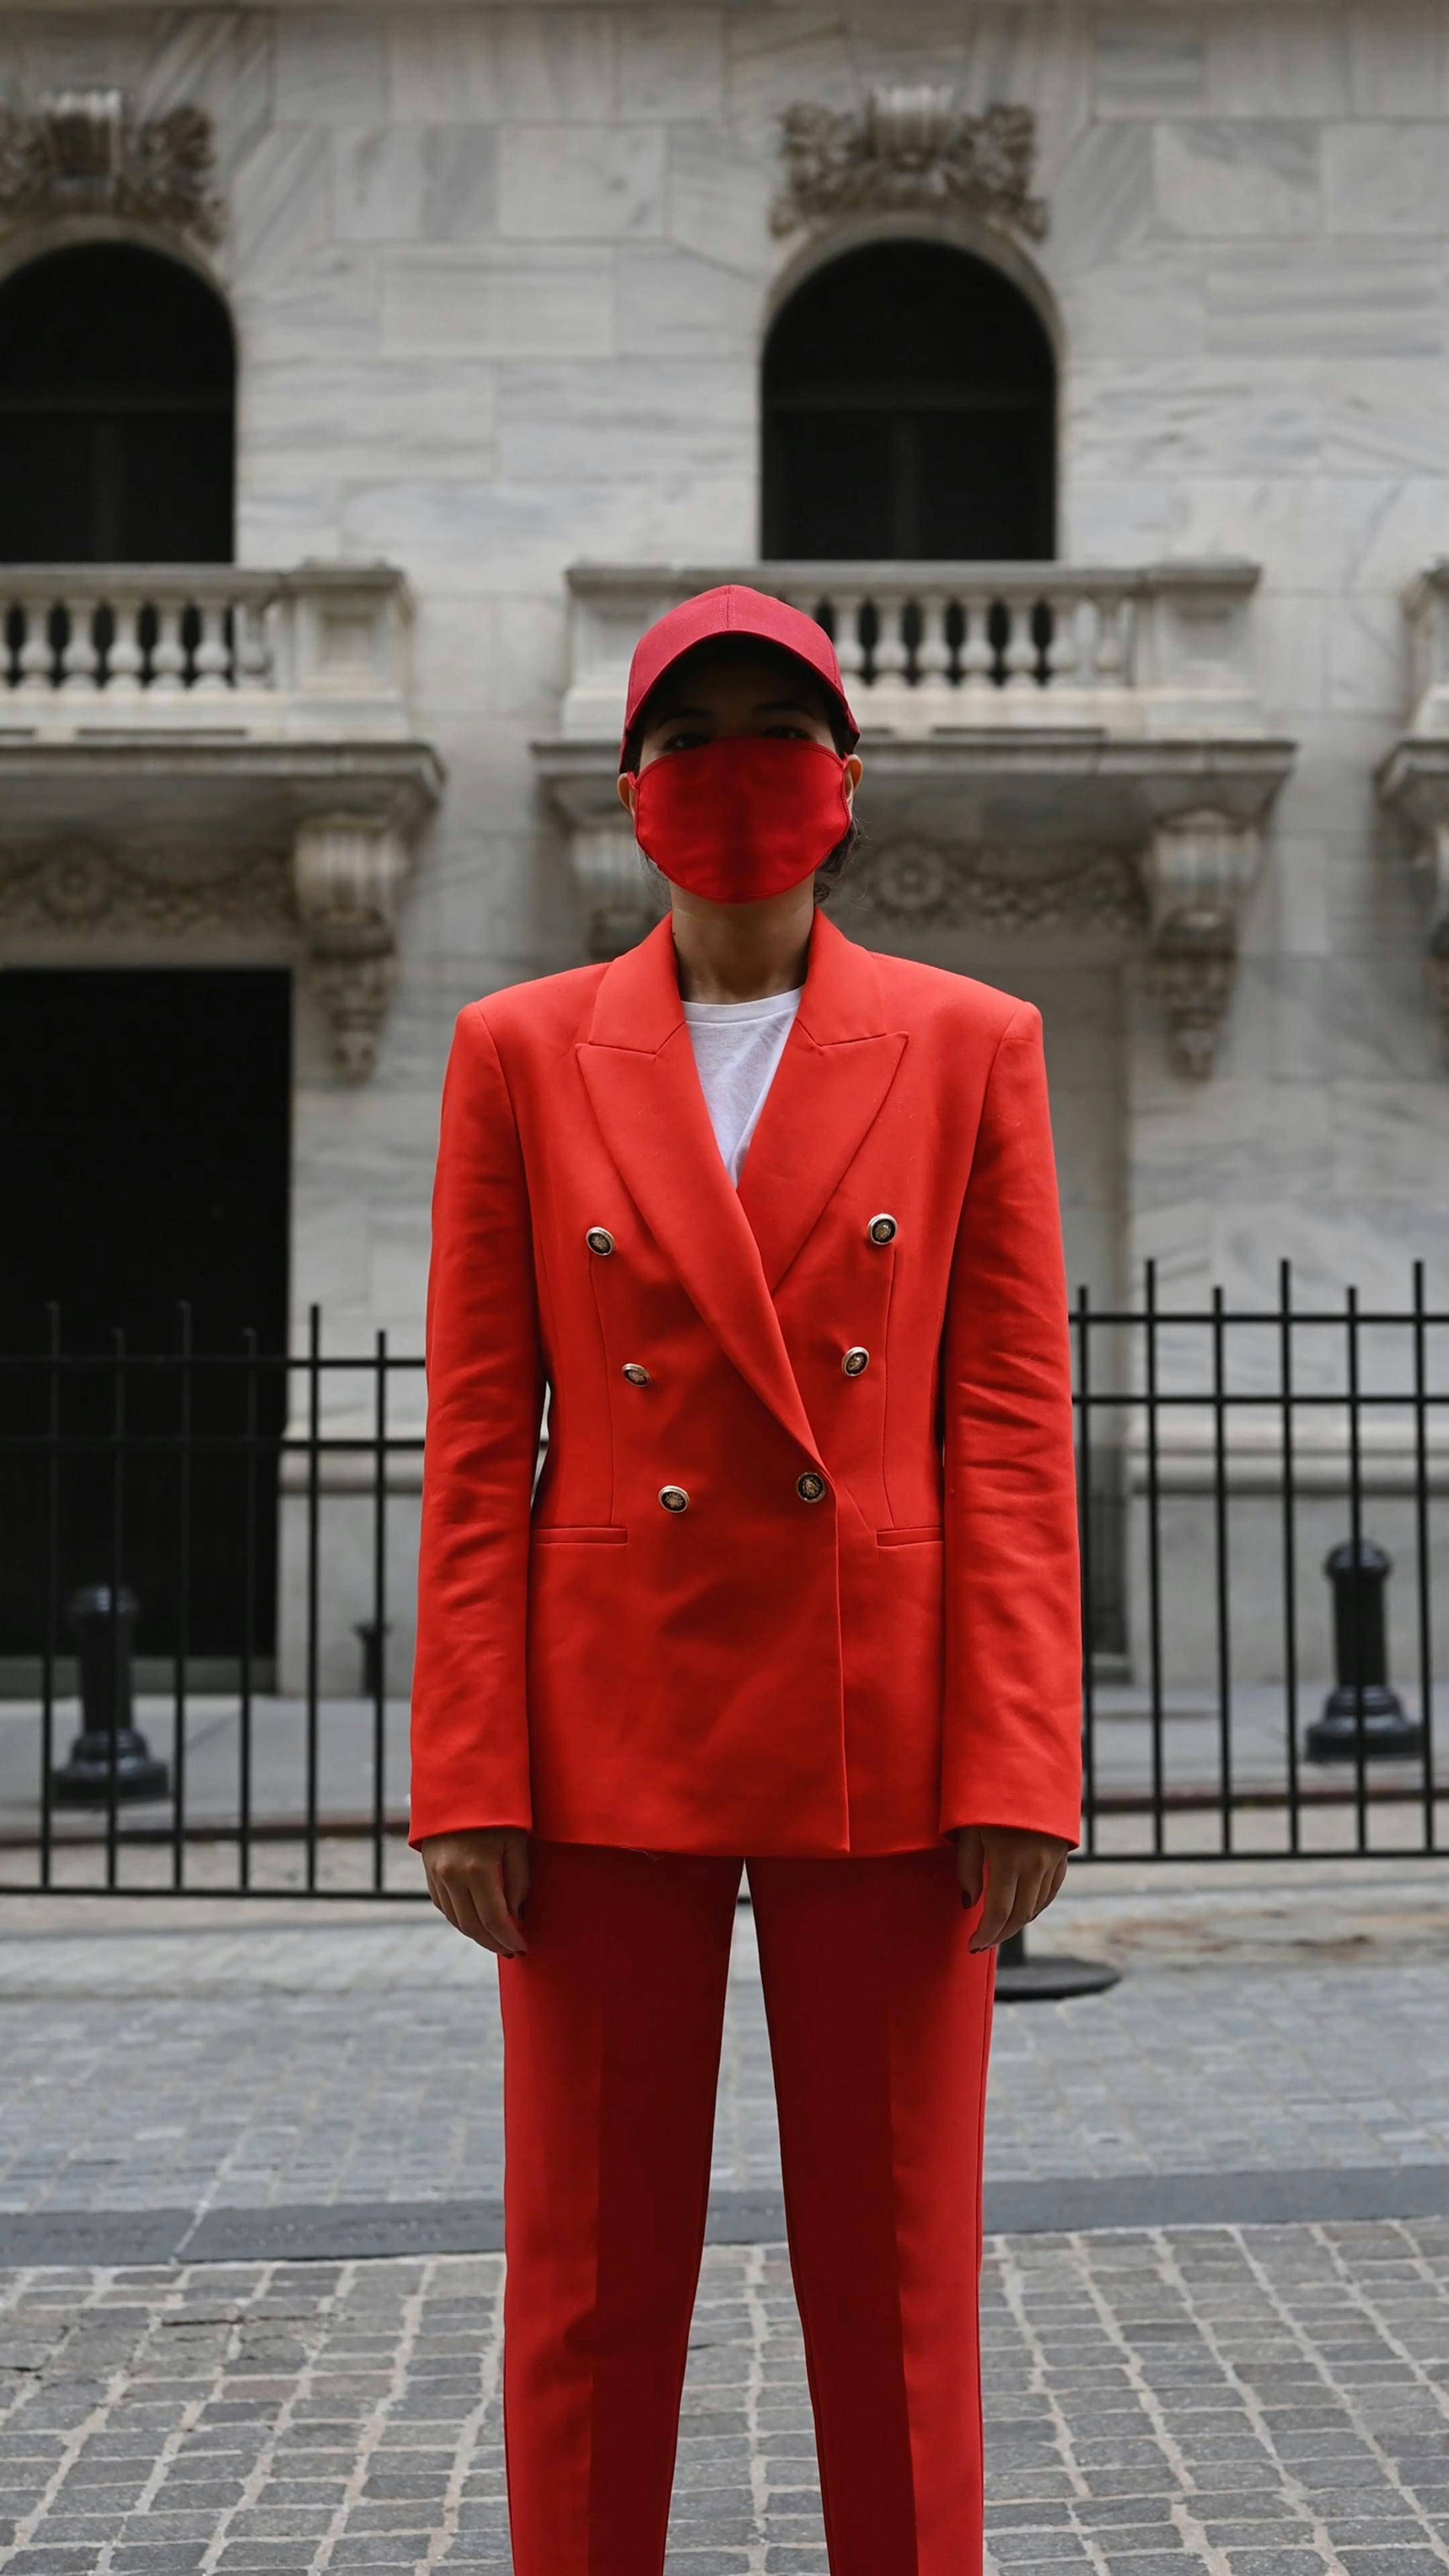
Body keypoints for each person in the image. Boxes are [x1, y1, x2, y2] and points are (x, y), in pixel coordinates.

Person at [409, 584, 1082, 2576]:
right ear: (630, 792)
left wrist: (1023, 1753)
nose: (734, 775)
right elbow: (472, 1444)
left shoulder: (976, 1046)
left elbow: (1011, 1432)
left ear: (846, 784)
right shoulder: (519, 1053)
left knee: (896, 2290)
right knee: (588, 2292)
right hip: (606, 1721)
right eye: (690, 737)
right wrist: (468, 1766)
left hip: (885, 1728)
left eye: (771, 733)